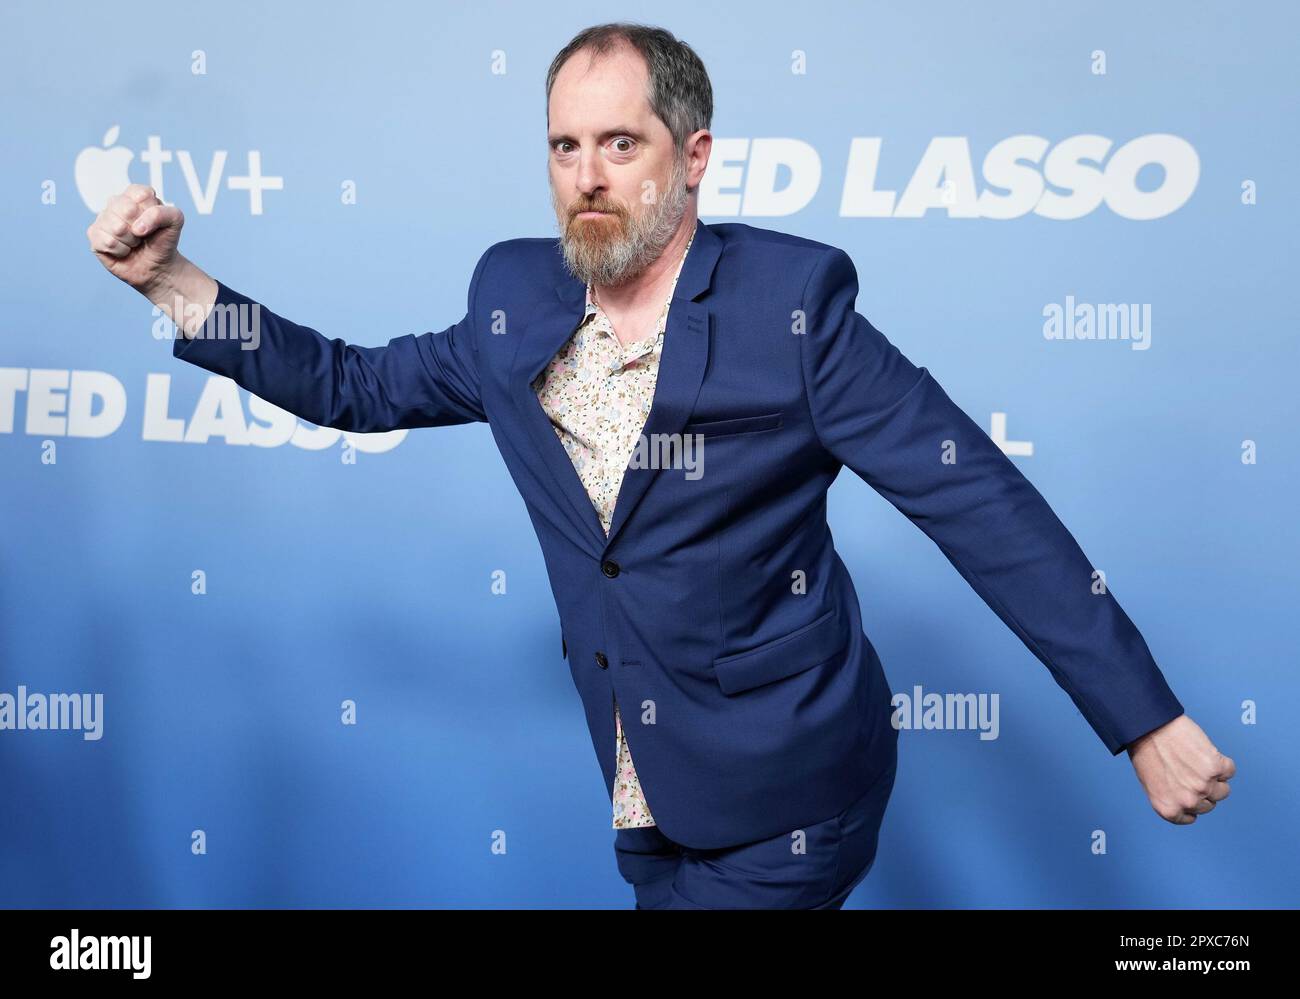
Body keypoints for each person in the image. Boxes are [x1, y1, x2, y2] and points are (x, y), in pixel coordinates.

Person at [85, 22, 1235, 909]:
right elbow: (351, 384)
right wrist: (174, 287)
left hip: (787, 800)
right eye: (565, 145)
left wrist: (1140, 719)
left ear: (692, 159)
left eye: (618, 143)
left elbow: (979, 503)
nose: (586, 175)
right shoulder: (511, 296)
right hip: (643, 787)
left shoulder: (793, 308)